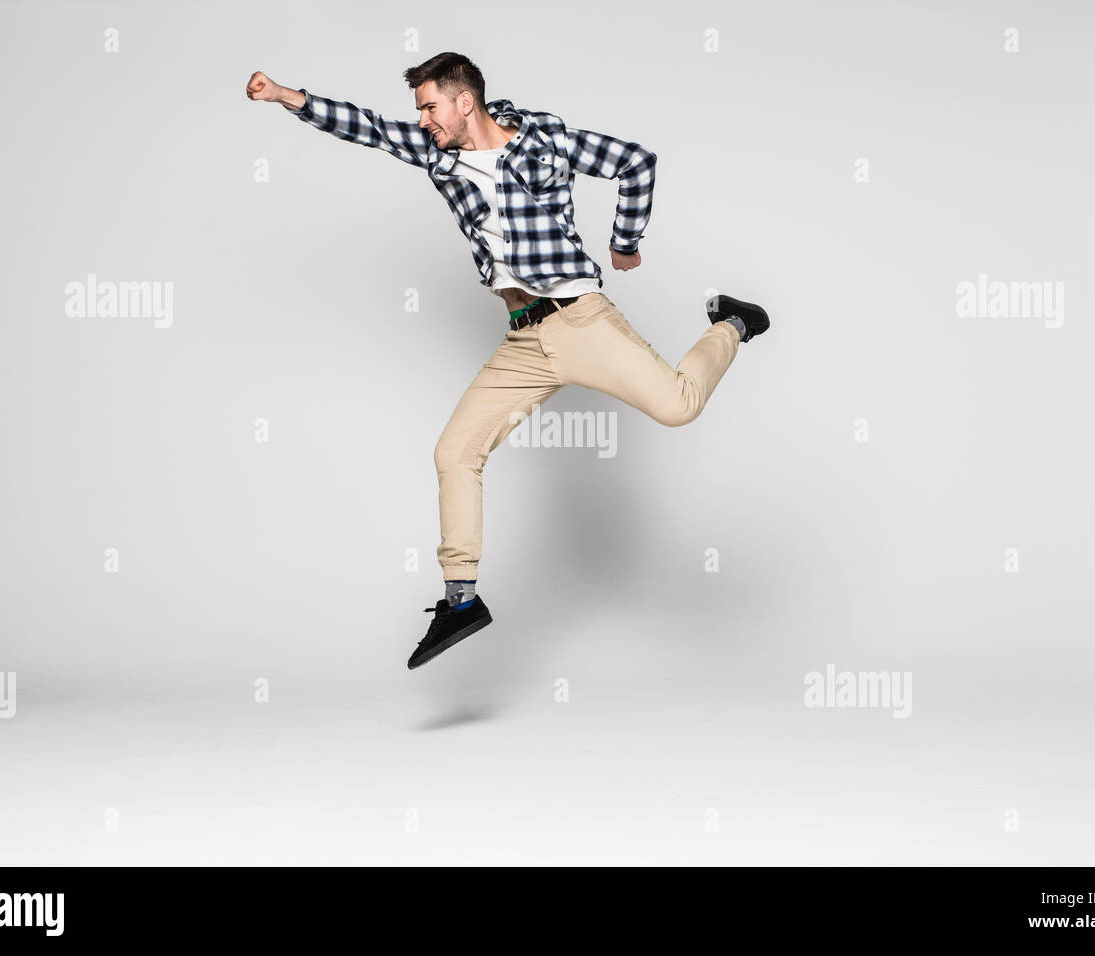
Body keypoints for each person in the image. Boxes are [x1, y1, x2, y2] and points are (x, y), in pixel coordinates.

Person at [246, 52, 770, 670]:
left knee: (680, 406)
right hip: (523, 340)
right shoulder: (436, 153)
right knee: (454, 452)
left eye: (431, 106)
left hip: (579, 319)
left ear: (465, 101)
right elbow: (369, 129)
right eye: (420, 110)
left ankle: (735, 321)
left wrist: (624, 242)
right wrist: (287, 96)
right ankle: (461, 599)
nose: (424, 120)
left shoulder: (544, 138)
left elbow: (636, 162)